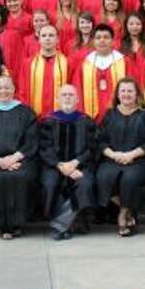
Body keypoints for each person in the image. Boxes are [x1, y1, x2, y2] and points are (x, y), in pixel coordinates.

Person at [0, 76, 40, 240]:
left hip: (21, 159)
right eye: (0, 88)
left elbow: (32, 139)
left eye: (7, 88)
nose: (3, 91)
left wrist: (14, 158)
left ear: (13, 89)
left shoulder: (26, 112)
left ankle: (16, 225)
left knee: (20, 177)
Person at [95, 77, 145, 237]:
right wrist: (113, 154)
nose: (126, 94)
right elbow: (100, 141)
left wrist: (131, 154)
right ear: (117, 94)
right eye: (123, 91)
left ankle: (122, 216)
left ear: (137, 94)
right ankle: (129, 211)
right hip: (112, 159)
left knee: (130, 178)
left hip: (139, 160)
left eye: (130, 91)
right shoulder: (110, 114)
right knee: (103, 177)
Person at [38, 85, 97, 240]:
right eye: (64, 95)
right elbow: (44, 148)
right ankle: (72, 223)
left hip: (81, 165)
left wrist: (75, 163)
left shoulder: (86, 121)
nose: (67, 98)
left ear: (77, 99)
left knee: (84, 182)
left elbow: (92, 148)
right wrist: (61, 166)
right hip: (54, 166)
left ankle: (61, 225)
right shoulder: (48, 121)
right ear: (57, 99)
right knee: (50, 183)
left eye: (71, 95)